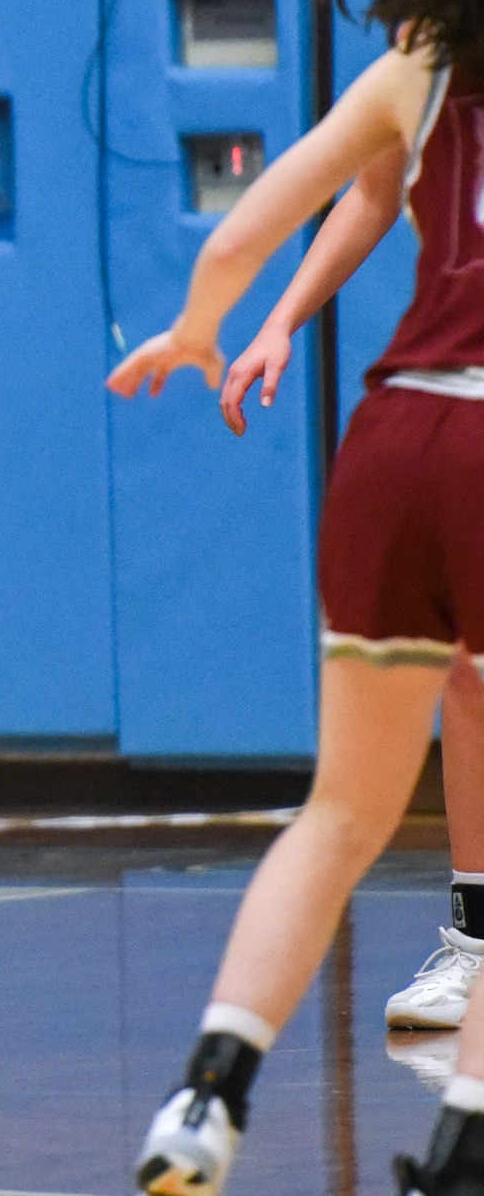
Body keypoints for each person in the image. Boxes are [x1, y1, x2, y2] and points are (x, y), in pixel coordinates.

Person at [107, 0, 484, 1189]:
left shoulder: (417, 65)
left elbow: (245, 228)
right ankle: (466, 1139)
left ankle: (207, 1092)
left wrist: (201, 329)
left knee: (335, 814)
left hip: (395, 441)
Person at [211, 65, 484, 1049]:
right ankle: (475, 942)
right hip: (449, 408)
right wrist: (278, 320)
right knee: (465, 675)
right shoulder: (431, 70)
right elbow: (368, 189)